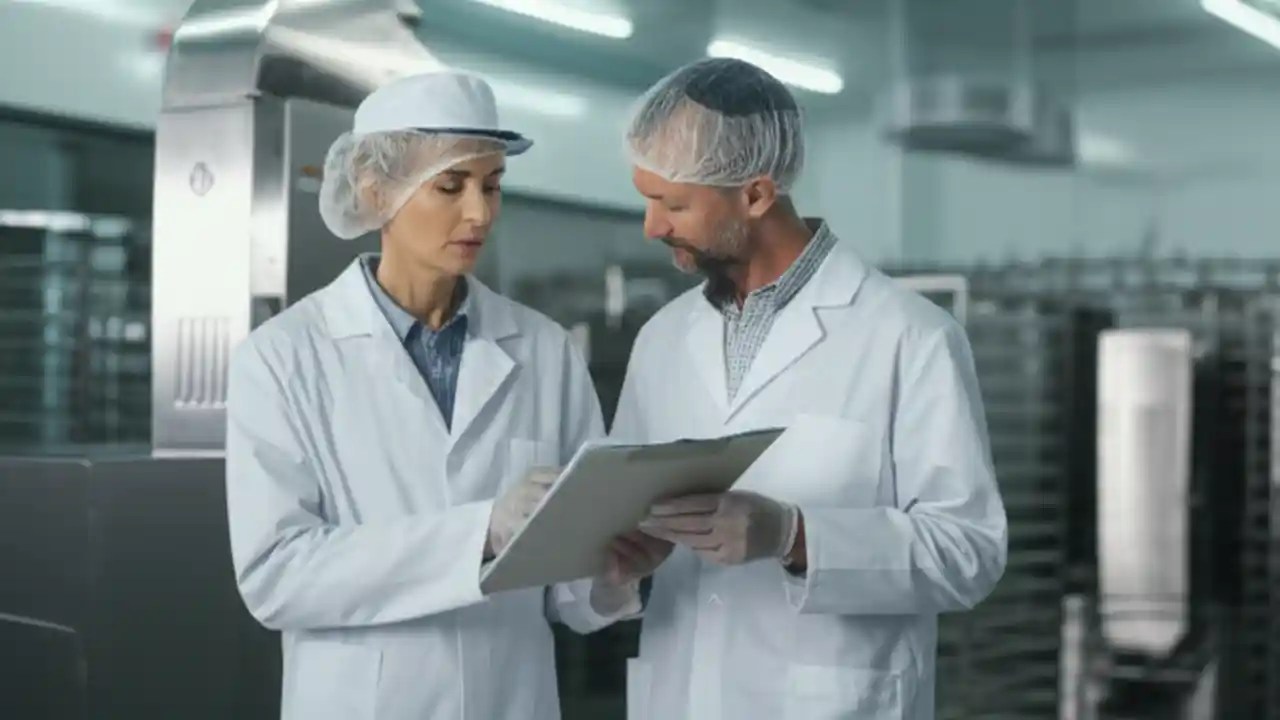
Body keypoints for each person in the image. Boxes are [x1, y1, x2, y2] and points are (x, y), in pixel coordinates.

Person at [224, 71, 669, 720]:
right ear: (378, 192)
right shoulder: (285, 358)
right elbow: (277, 576)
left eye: (492, 187)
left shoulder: (543, 350)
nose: (480, 212)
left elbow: (566, 593)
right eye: (451, 186)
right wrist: (482, 529)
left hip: (511, 699)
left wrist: (620, 567)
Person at [612, 58, 1009, 719]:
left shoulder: (909, 336)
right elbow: (620, 508)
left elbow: (970, 551)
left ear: (758, 195)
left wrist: (795, 536)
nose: (652, 227)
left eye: (673, 204)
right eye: (647, 199)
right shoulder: (661, 339)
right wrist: (619, 551)